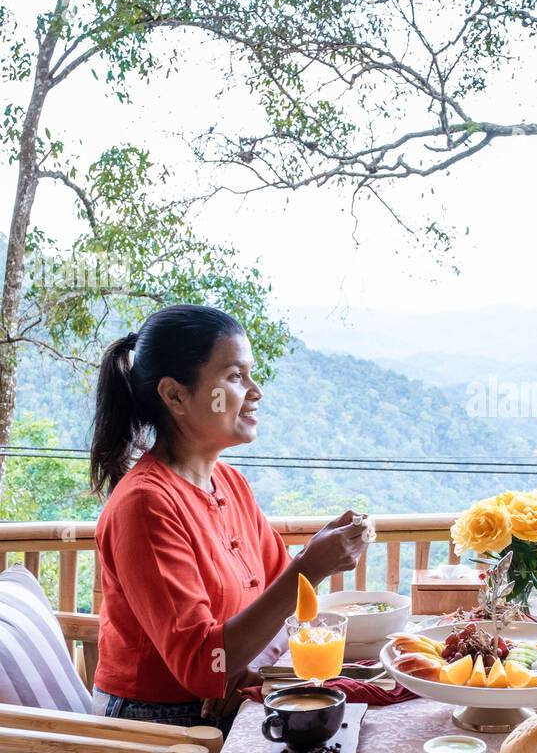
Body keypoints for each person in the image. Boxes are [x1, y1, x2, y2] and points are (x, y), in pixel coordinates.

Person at [89, 305, 368, 730]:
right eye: (235, 377)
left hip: (223, 701)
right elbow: (203, 667)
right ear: (176, 395)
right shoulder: (145, 506)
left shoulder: (230, 483)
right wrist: (310, 567)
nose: (256, 391)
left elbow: (283, 605)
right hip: (160, 731)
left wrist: (240, 663)